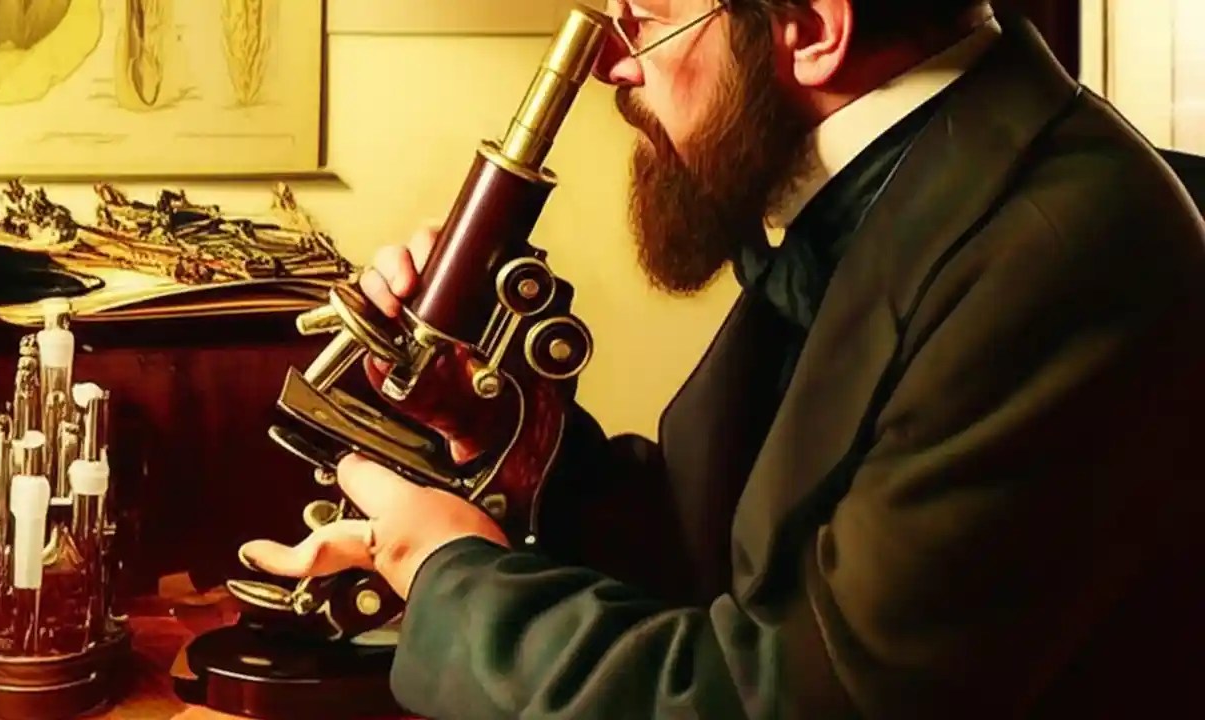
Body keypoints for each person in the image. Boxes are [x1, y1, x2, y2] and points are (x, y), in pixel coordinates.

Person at [242, 0, 1205, 717]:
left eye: (647, 18)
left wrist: (448, 571)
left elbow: (793, 699)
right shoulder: (900, 182)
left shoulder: (1057, 250)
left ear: (813, 28)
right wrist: (501, 428)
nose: (617, 63)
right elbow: (727, 555)